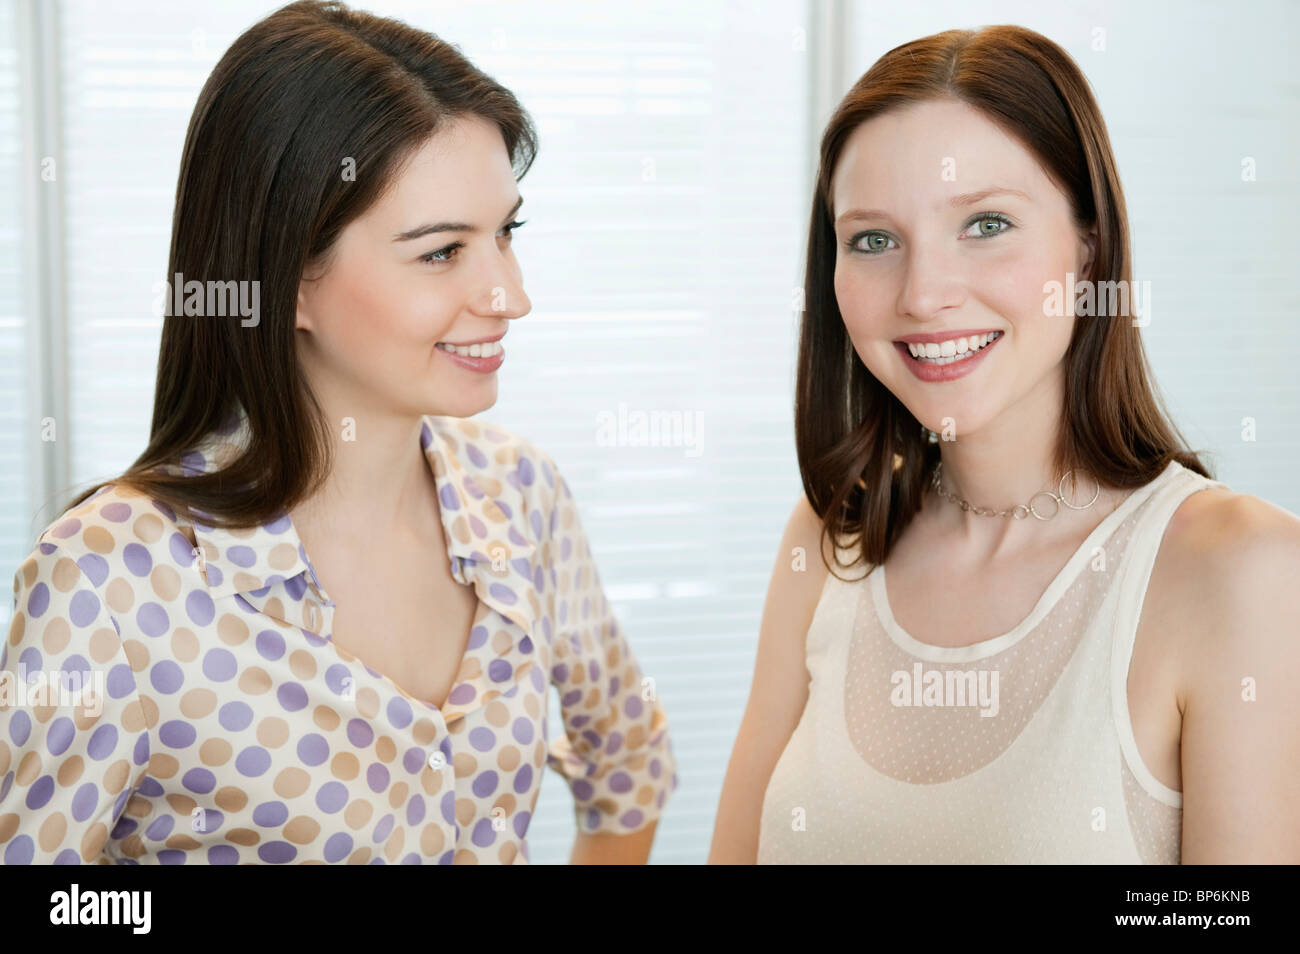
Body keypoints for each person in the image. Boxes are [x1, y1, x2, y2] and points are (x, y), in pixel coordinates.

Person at [0, 0, 676, 865]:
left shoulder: (521, 496)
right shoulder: (108, 580)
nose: (509, 294)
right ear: (288, 280)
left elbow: (628, 767)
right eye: (441, 252)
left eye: (506, 233)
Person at [710, 25, 1300, 864]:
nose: (924, 295)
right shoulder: (830, 538)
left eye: (986, 224)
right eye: (872, 239)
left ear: (1088, 249)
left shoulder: (1242, 570)